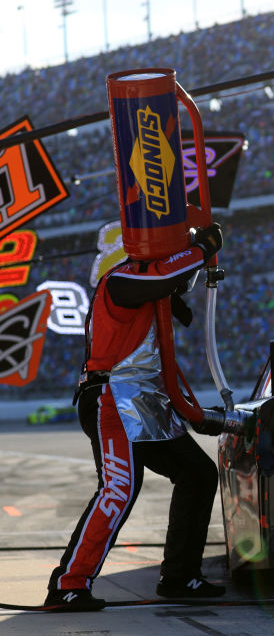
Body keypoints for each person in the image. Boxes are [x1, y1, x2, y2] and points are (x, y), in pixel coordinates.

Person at [44, 223, 226, 612]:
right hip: (111, 399)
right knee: (118, 490)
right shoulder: (121, 278)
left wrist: (193, 413)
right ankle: (68, 584)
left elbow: (166, 365)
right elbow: (166, 275)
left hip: (145, 402)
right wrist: (200, 249)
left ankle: (180, 576)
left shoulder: (152, 291)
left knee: (198, 474)